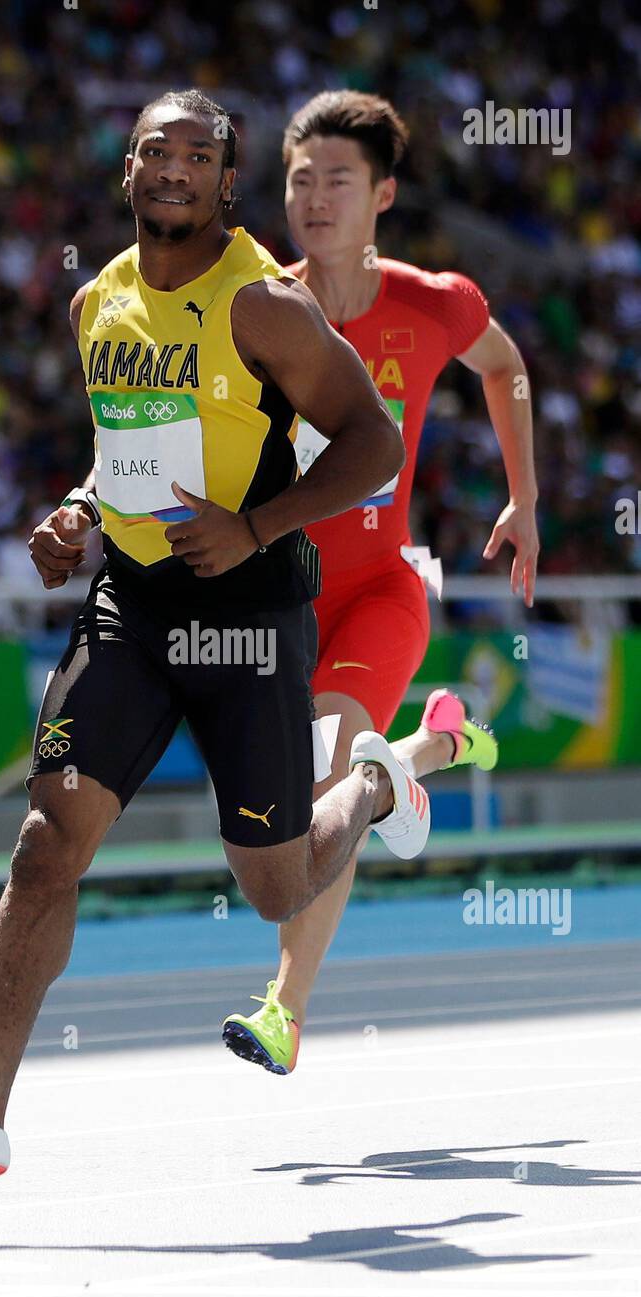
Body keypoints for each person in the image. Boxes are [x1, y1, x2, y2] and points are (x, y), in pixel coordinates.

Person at [0, 89, 436, 1177]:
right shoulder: (97, 303)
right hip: (132, 606)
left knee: (273, 885)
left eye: (198, 153)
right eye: (154, 151)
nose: (174, 167)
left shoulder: (265, 305)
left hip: (246, 607)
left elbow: (374, 442)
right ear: (126, 174)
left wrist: (255, 526)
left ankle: (370, 785)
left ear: (229, 183)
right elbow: (124, 451)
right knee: (46, 844)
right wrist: (81, 513)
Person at [220, 90, 538, 1074]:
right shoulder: (255, 309)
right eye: (298, 179)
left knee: (324, 782)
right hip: (281, 602)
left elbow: (506, 367)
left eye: (337, 179)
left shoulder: (432, 301)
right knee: (311, 796)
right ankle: (435, 744)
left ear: (383, 192)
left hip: (379, 592)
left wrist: (522, 500)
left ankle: (284, 1010)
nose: (314, 197)